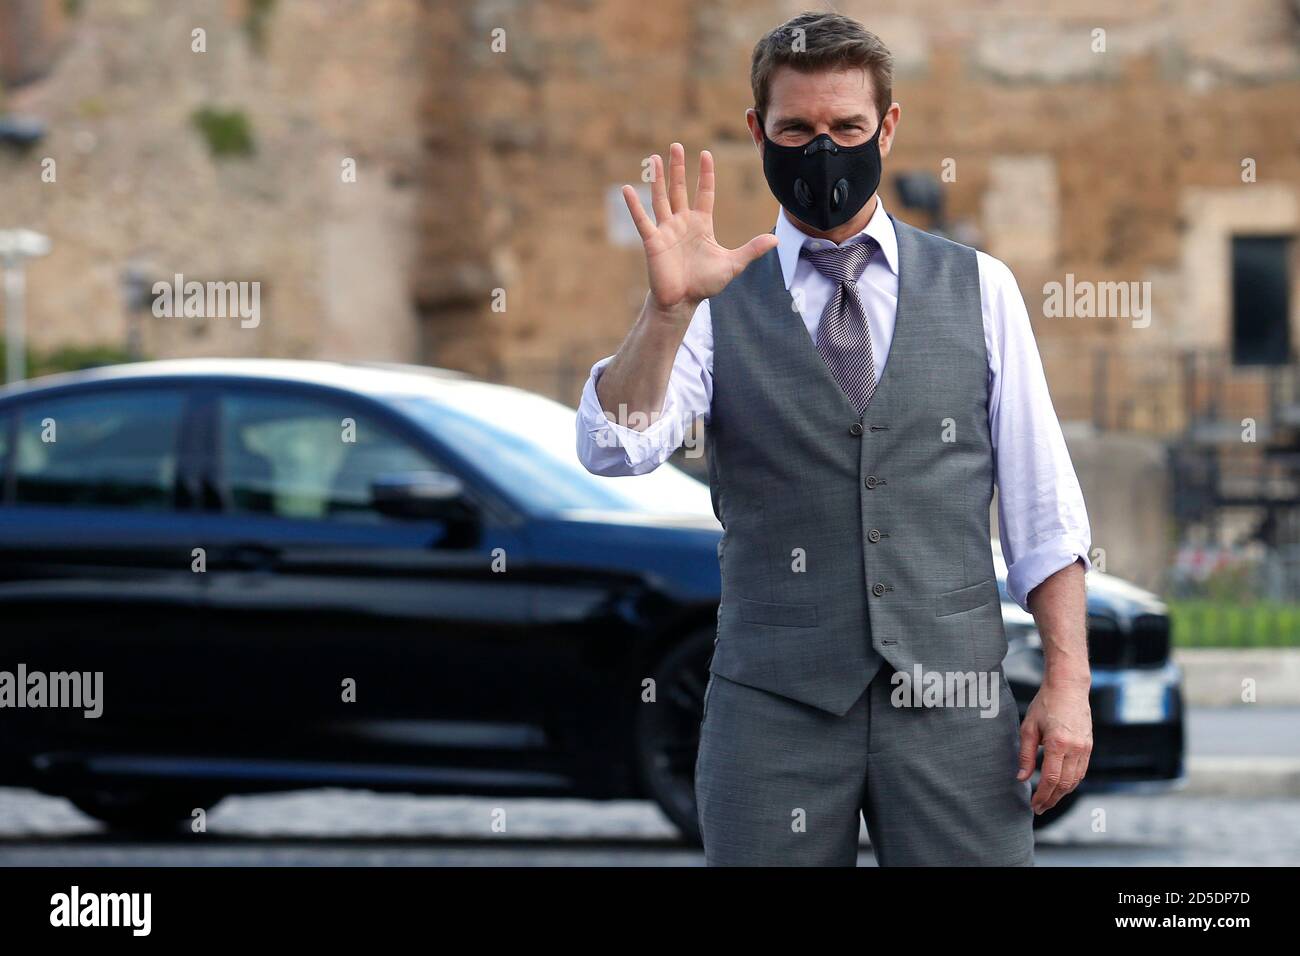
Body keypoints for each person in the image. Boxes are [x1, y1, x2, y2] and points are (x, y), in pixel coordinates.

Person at [576, 11, 1092, 866]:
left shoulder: (981, 288)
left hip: (954, 701)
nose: (824, 150)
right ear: (758, 132)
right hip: (771, 707)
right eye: (797, 130)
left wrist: (1067, 683)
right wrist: (667, 312)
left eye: (847, 128)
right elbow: (615, 447)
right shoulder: (712, 305)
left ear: (886, 127)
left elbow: (1044, 509)